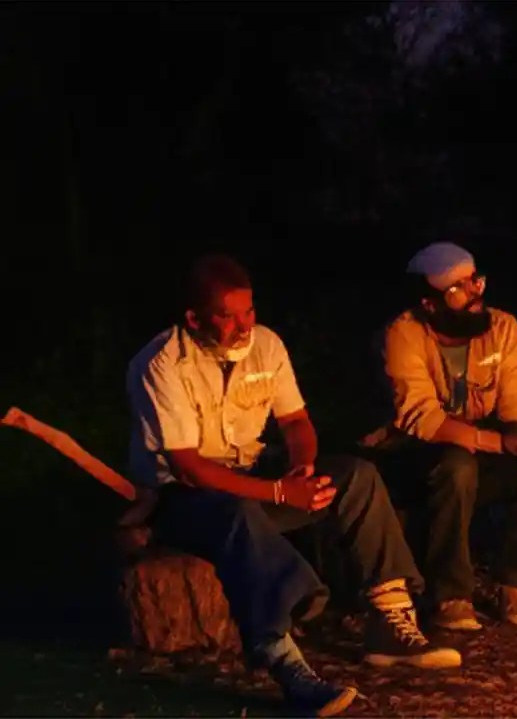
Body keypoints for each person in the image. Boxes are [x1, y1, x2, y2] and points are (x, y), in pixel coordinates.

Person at [126, 255, 460, 718]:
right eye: (227, 316)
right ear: (194, 318)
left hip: (253, 476)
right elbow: (189, 469)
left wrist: (302, 469)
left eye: (248, 312)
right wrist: (281, 494)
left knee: (354, 476)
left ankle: (390, 621)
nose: (243, 325)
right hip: (183, 499)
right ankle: (287, 665)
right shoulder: (160, 365)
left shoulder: (265, 345)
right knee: (236, 513)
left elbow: (296, 420)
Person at [365, 242, 517, 631]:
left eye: (475, 281)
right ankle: (451, 593)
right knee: (457, 465)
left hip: (482, 448)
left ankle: (516, 582)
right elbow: (421, 418)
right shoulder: (404, 334)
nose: (475, 294)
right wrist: (503, 444)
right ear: (429, 303)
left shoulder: (504, 329)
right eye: (457, 288)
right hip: (414, 456)